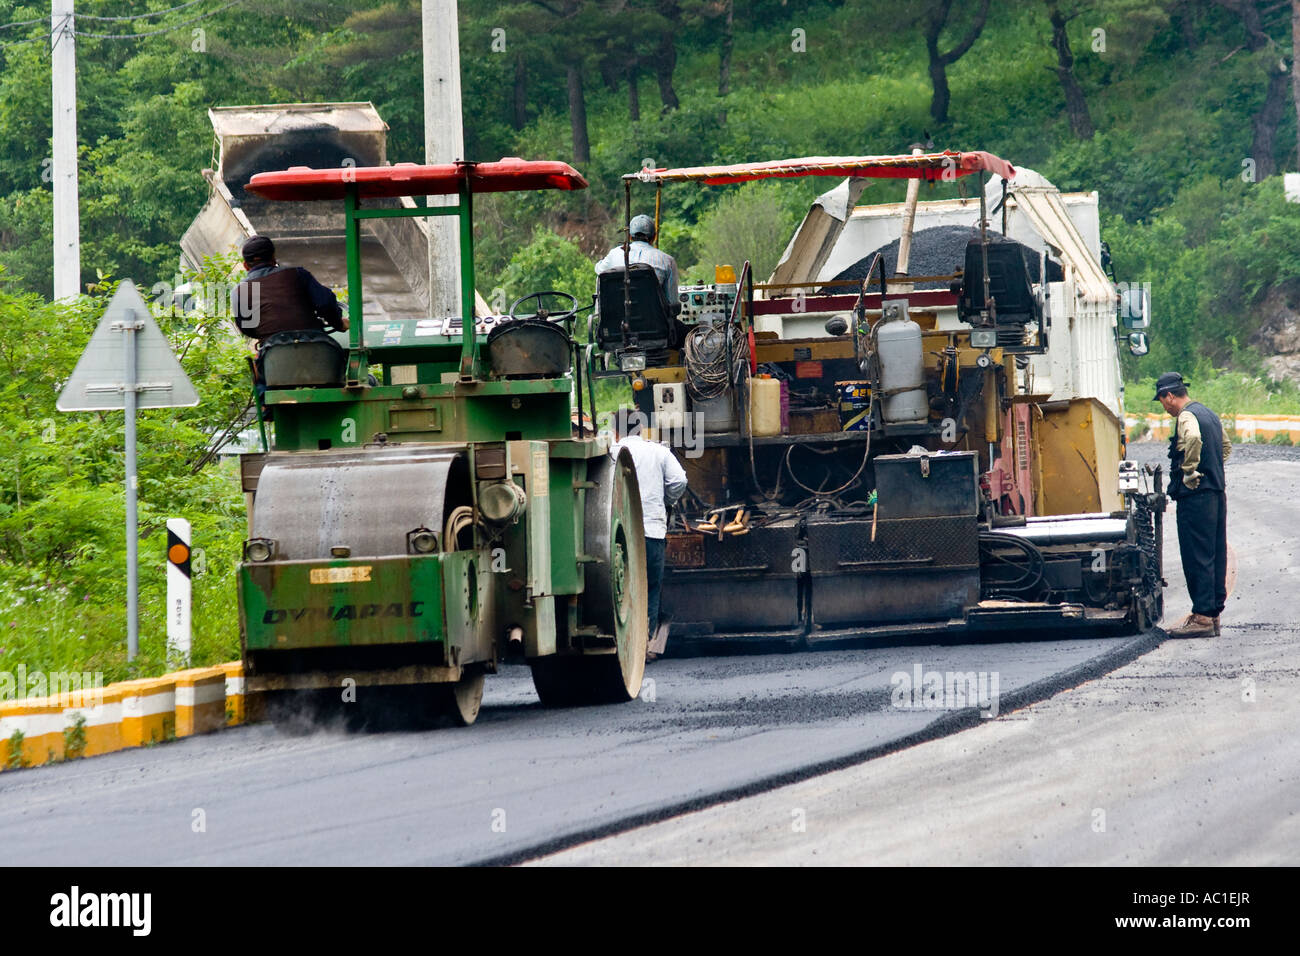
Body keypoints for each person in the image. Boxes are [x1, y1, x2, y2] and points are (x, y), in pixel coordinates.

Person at [1156, 372, 1231, 638]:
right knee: (1214, 552)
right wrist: (1212, 469)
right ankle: (1212, 615)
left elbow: (1194, 440)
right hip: (1216, 493)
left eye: (1163, 400)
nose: (1164, 407)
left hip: (1196, 496)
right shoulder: (1208, 413)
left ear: (1170, 396)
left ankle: (1201, 616)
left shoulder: (1186, 416)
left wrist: (1190, 471)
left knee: (1196, 554)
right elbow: (1225, 447)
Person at [612, 408, 688, 659]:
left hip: (619, 536)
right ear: (640, 429)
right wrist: (667, 501)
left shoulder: (611, 454)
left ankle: (624, 647)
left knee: (620, 588)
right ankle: (645, 647)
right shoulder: (659, 451)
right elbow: (679, 481)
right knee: (651, 587)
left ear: (616, 431)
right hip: (652, 531)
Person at [230, 234, 348, 343]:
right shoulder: (297, 274)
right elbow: (325, 303)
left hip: (273, 350)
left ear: (245, 265)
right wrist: (339, 324)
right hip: (314, 342)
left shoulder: (242, 291)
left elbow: (247, 328)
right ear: (274, 258)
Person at [595, 214, 680, 311]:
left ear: (630, 236)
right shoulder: (667, 261)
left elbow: (599, 270)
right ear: (654, 237)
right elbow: (672, 303)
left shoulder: (614, 254)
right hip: (654, 323)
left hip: (615, 321)